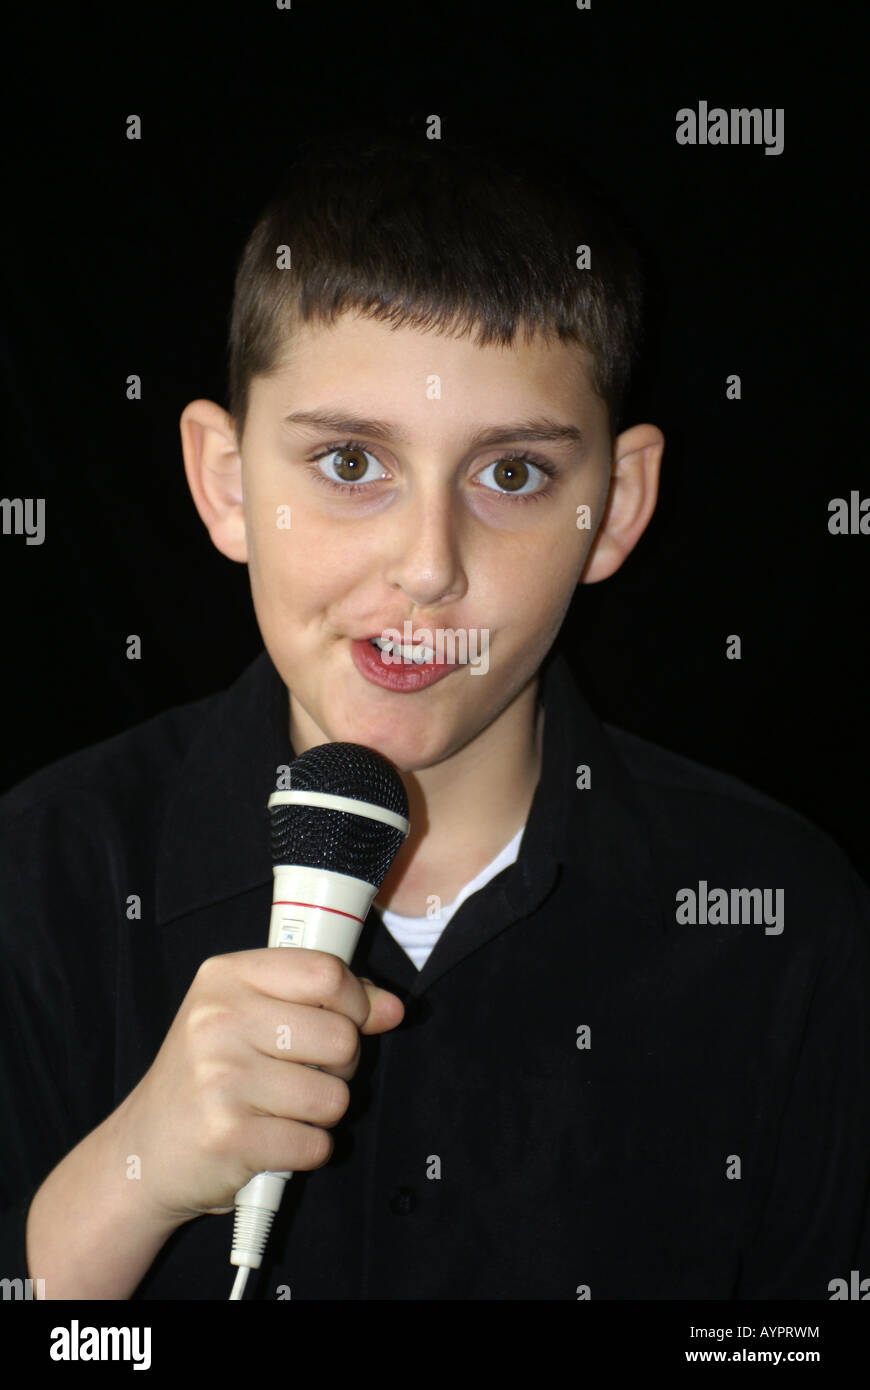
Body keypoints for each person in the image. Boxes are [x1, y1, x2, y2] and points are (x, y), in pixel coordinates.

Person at [3, 118, 869, 1301]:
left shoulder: (787, 921)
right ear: (224, 484)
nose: (427, 566)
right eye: (351, 462)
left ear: (612, 510)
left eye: (511, 474)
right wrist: (125, 1181)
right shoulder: (40, 875)